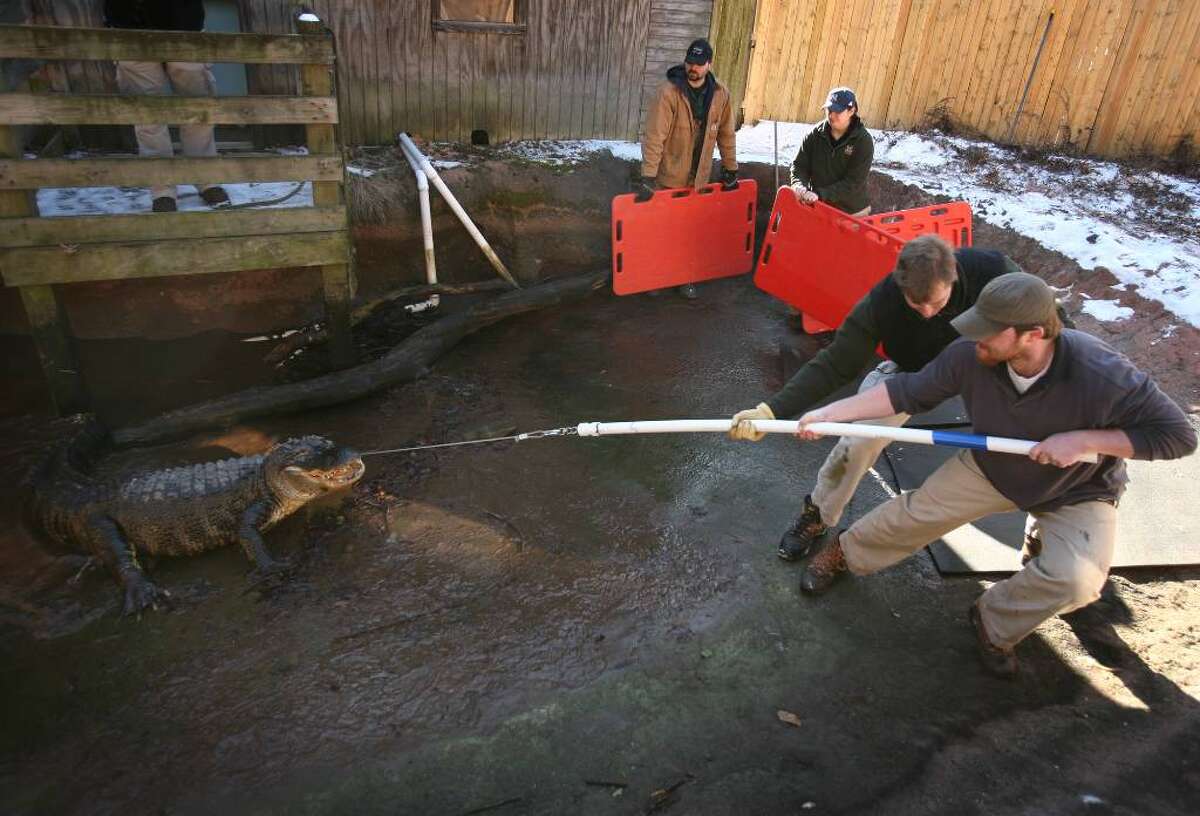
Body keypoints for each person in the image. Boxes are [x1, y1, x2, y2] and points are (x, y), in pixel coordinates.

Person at [787, 272, 1196, 677]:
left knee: (1077, 581)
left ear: (1033, 335)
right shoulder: (972, 354)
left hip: (1076, 488)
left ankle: (993, 621)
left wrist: (1085, 440)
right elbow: (906, 391)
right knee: (915, 514)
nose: (974, 337)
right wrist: (829, 414)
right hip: (993, 466)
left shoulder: (1101, 372)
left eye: (988, 330)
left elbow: (1178, 437)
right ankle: (846, 551)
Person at [730, 234, 1026, 563]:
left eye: (937, 303)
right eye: (917, 305)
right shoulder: (881, 304)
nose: (928, 313)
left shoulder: (994, 272)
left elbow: (1046, 316)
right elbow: (836, 363)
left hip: (982, 369)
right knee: (856, 443)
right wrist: (771, 411)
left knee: (1032, 445)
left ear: (953, 275)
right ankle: (819, 512)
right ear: (900, 284)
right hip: (911, 375)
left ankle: (1046, 533)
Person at [104, 0, 231, 213]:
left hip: (185, 24)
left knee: (197, 109)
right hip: (129, 24)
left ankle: (206, 178)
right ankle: (162, 189)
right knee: (147, 115)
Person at [637, 38, 738, 299]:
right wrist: (648, 175)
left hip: (699, 177)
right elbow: (654, 136)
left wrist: (730, 169)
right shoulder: (669, 93)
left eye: (699, 63)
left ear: (709, 64)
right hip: (670, 174)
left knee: (690, 232)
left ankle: (685, 276)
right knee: (662, 229)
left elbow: (726, 134)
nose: (693, 67)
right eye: (690, 62)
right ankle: (657, 277)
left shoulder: (721, 95)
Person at [790, 87, 873, 217]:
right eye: (829, 110)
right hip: (818, 208)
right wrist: (799, 184)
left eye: (837, 111)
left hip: (852, 213)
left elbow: (853, 183)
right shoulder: (814, 135)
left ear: (851, 111)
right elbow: (800, 166)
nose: (831, 115)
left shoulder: (863, 141)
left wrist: (820, 194)